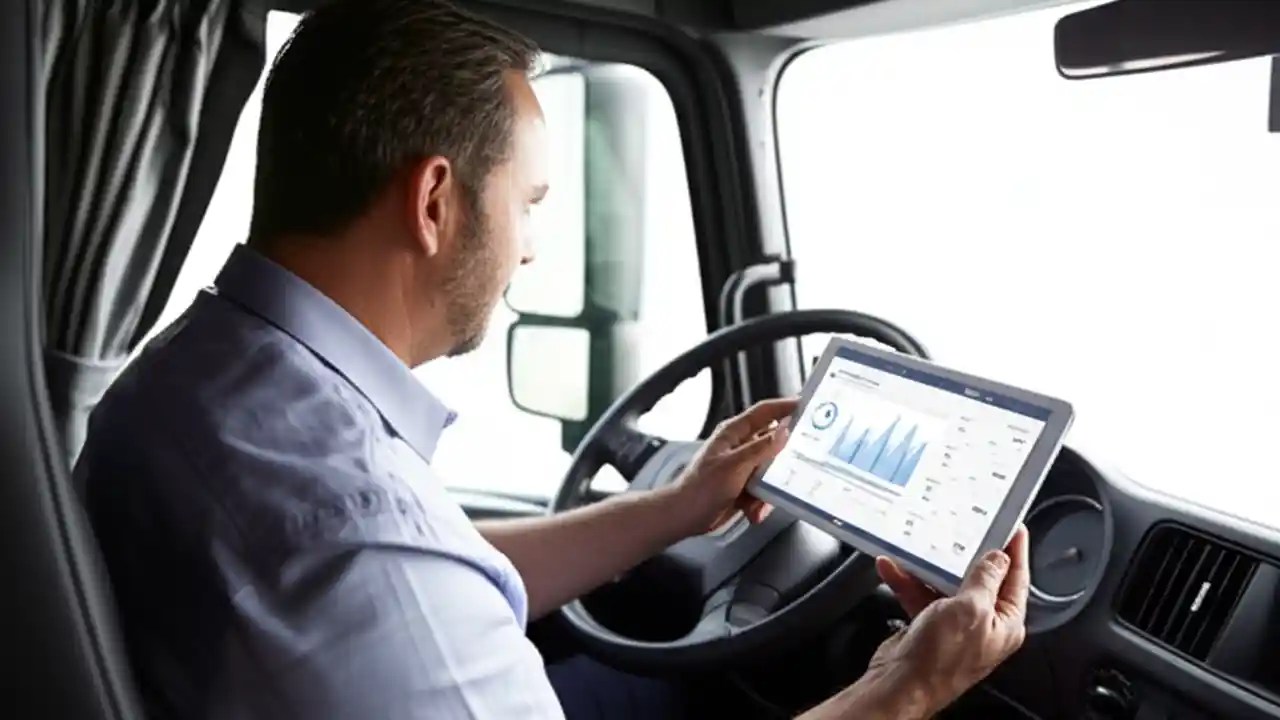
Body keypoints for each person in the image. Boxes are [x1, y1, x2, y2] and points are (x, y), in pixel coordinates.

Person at [73, 0, 1030, 717]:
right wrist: (907, 683)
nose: (530, 246)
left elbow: (434, 562)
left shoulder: (197, 379)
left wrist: (669, 509)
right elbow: (383, 559)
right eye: (528, 201)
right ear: (435, 199)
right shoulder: (347, 522)